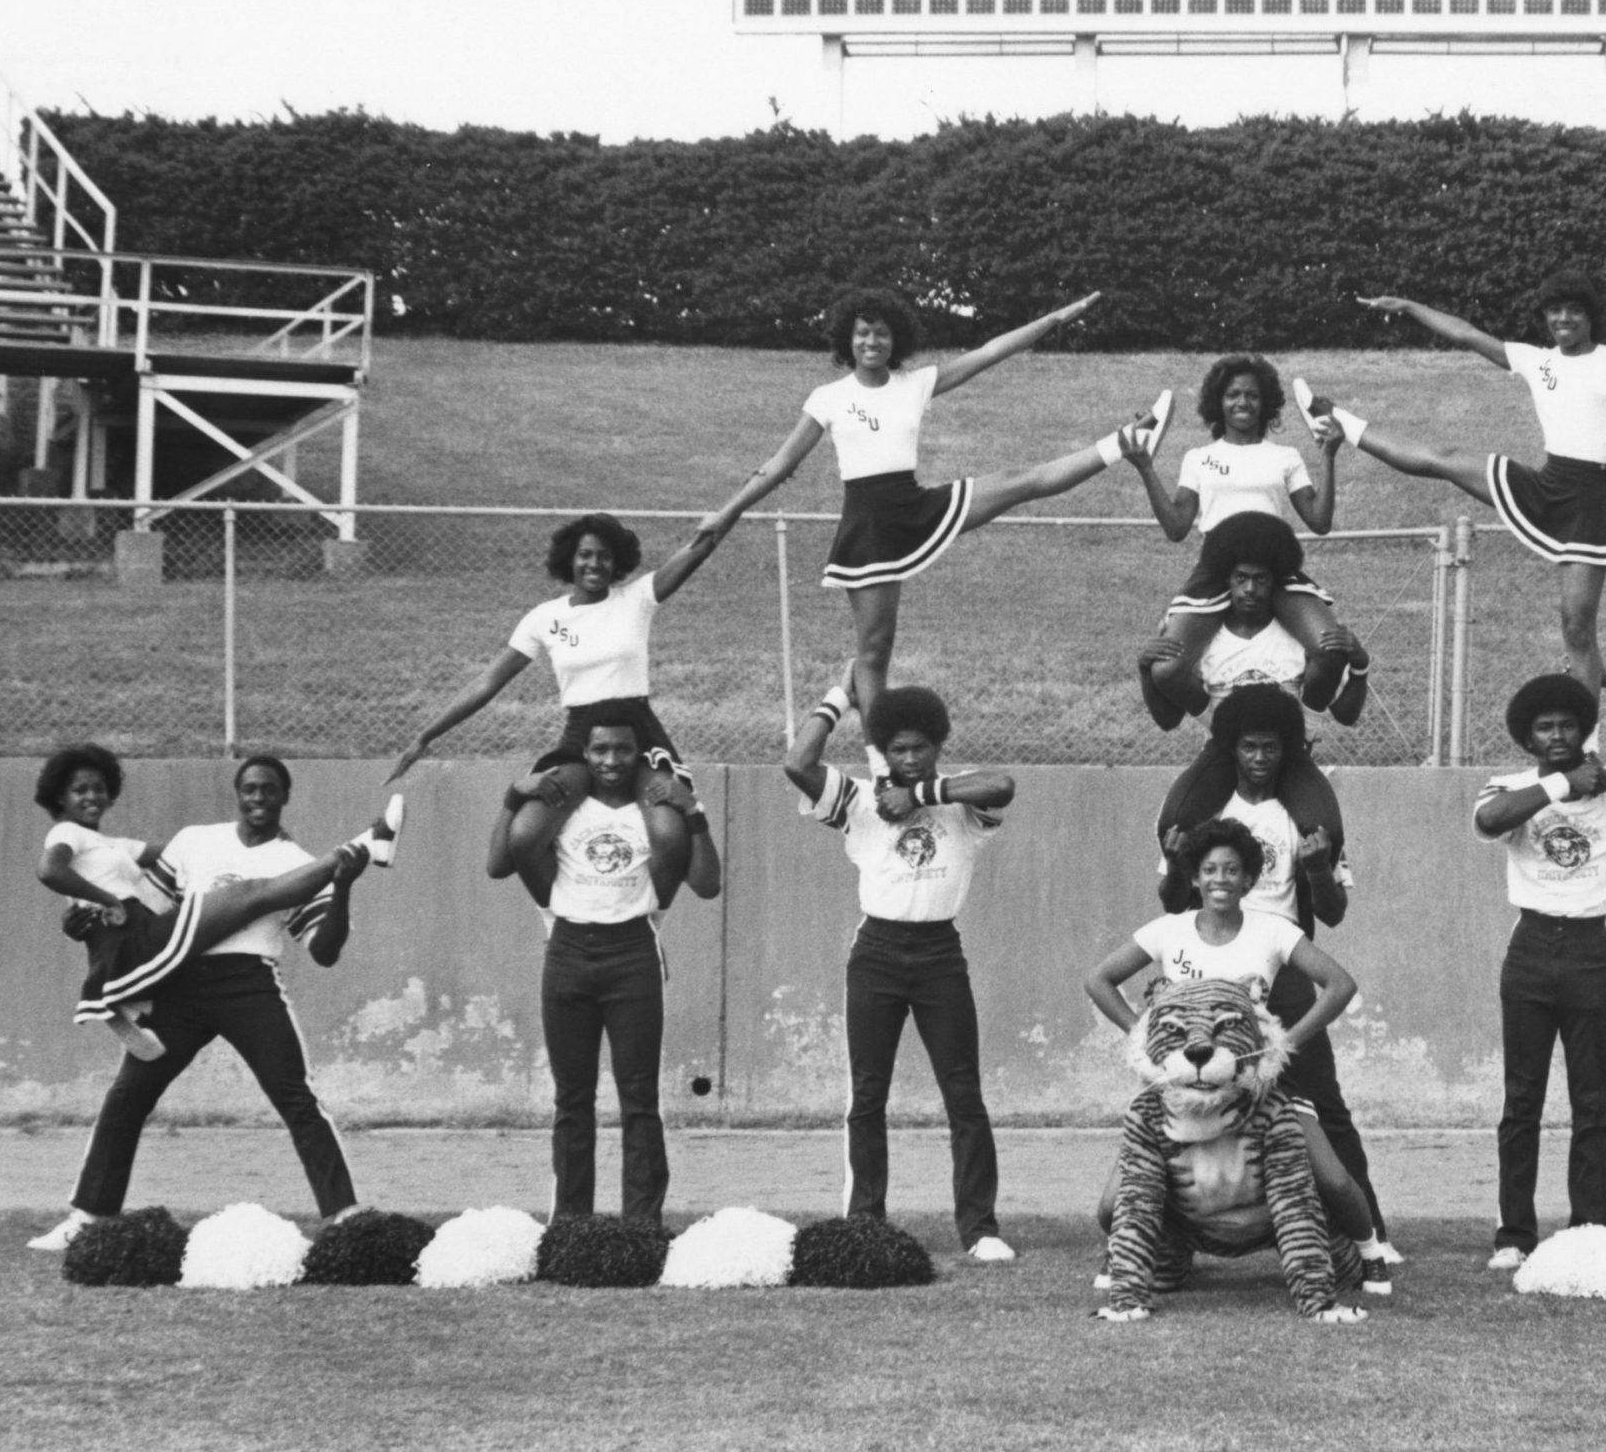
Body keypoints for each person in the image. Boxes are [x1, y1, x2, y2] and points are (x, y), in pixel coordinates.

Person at [702, 285, 1160, 729]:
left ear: (895, 339)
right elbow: (780, 464)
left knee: (1021, 482)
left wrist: (1055, 318)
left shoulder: (915, 383)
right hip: (870, 528)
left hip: (918, 507)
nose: (872, 341)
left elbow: (989, 352)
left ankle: (1126, 440)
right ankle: (882, 768)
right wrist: (728, 512)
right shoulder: (828, 397)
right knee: (875, 651)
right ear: (848, 338)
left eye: (881, 333)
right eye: (863, 332)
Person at [28, 758, 400, 1252]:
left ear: (285, 797)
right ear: (237, 793)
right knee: (127, 1097)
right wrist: (83, 918)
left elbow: (325, 953)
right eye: (249, 789)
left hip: (249, 985)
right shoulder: (195, 840)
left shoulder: (297, 861)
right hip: (181, 980)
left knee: (296, 1099)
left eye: (269, 790)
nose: (258, 798)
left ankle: (343, 1214)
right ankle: (90, 1216)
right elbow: (146, 909)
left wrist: (344, 886)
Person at [1298, 271, 1606, 691]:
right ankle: (1335, 419)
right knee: (1443, 460)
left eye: (1573, 310)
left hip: (1588, 506)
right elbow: (1467, 335)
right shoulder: (1537, 359)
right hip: (1543, 485)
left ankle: (1584, 746)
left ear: (1591, 316)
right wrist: (1409, 306)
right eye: (1555, 311)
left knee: (1576, 628)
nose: (1563, 319)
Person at [1082, 817, 1389, 1292]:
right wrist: (1141, 1036)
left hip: (1252, 1085)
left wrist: (1285, 1042)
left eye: (1231, 871)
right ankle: (1152, 1247)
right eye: (1209, 870)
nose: (1219, 880)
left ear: (1249, 879)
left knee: (1334, 1180)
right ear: (1194, 877)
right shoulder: (1168, 929)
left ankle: (1371, 1253)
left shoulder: (1272, 930)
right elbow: (1098, 980)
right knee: (1109, 1206)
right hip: (1184, 1090)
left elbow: (1340, 984)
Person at [1150, 684, 1391, 1256]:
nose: (1260, 758)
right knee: (1186, 1102)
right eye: (1250, 747)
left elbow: (1332, 912)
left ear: (1291, 750)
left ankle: (1368, 1233)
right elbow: (1169, 899)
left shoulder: (1305, 816)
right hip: (1208, 977)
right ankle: (1170, 1236)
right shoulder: (1204, 809)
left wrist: (1316, 871)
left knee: (1322, 1103)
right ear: (1231, 749)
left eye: (1272, 748)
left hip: (1281, 969)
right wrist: (1177, 863)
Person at [785, 678, 1018, 1262]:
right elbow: (798, 761)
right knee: (867, 1093)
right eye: (898, 749)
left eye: (920, 747)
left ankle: (980, 1228)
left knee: (963, 1092)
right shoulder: (859, 800)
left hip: (940, 954)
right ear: (881, 750)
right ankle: (866, 1219)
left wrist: (921, 794)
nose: (909, 758)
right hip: (877, 954)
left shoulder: (959, 802)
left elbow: (1004, 784)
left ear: (938, 745)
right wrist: (840, 696)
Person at [1471, 667, 1606, 1267]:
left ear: (1585, 727)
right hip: (1531, 948)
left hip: (1592, 949)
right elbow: (1490, 822)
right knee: (1522, 1101)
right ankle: (1514, 1235)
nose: (1558, 734)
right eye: (1545, 727)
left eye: (1569, 724)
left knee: (1591, 1101)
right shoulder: (1509, 786)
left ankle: (1591, 1224)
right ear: (1527, 738)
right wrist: (1564, 785)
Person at [386, 511, 723, 877]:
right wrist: (425, 736)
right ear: (570, 559)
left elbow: (701, 547)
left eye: (605, 556)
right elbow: (487, 683)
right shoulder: (545, 618)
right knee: (525, 836)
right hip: (581, 737)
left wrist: (729, 510)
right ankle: (558, 924)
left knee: (670, 833)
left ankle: (645, 924)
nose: (595, 563)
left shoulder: (638, 598)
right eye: (586, 554)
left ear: (618, 562)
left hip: (637, 733)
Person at [487, 706, 720, 1223]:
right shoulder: (565, 810)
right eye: (599, 750)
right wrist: (512, 797)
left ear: (638, 754)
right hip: (568, 952)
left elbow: (708, 884)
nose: (610, 760)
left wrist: (693, 811)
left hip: (632, 953)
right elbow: (497, 864)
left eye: (621, 749)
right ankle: (570, 1223)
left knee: (639, 1097)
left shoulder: (653, 809)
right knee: (572, 1099)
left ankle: (642, 1224)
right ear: (584, 754)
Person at [1138, 512, 1368, 887]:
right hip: (1225, 750)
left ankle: (1303, 910)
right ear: (1225, 580)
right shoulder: (1208, 637)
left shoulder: (1298, 637)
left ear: (1275, 582)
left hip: (1289, 751)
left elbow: (1345, 713)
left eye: (1260, 579)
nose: (1249, 589)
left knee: (1325, 832)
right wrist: (1145, 671)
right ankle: (1193, 912)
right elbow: (1167, 719)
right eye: (1241, 578)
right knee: (1174, 824)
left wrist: (1359, 665)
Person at [1123, 352, 1354, 711]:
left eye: (1252, 395)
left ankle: (1303, 720)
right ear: (1219, 402)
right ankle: (1219, 728)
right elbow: (1176, 527)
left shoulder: (1285, 456)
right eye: (1233, 394)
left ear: (1266, 404)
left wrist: (1328, 456)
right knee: (1167, 671)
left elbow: (1320, 522)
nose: (1242, 402)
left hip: (1273, 570)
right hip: (1217, 572)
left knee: (1330, 650)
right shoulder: (1199, 457)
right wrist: (1146, 468)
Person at [32, 743, 174, 1060]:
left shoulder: (114, 845)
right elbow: (49, 870)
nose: (92, 796)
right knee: (189, 937)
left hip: (132, 923)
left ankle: (126, 1011)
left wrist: (227, 837)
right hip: (114, 925)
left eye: (99, 788)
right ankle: (115, 1003)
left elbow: (171, 852)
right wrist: (109, 901)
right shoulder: (67, 831)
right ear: (60, 797)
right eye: (79, 790)